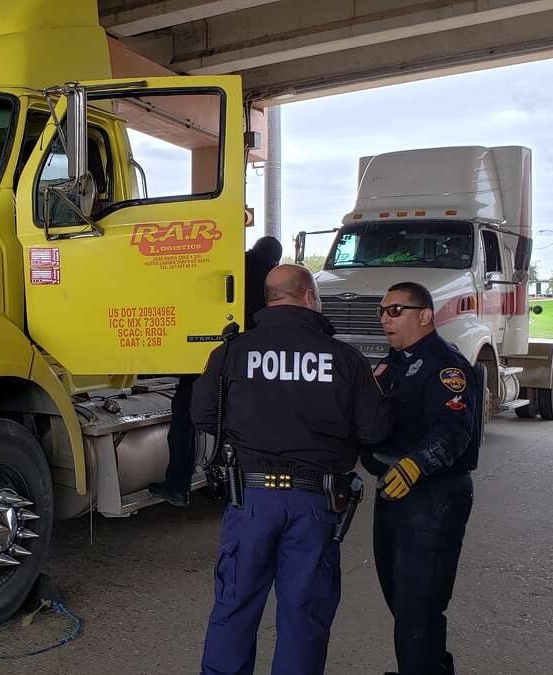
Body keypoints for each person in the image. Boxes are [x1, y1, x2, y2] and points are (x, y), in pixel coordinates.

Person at [192, 264, 393, 675]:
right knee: (304, 615)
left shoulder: (232, 352)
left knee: (235, 606)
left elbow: (201, 415)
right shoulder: (344, 358)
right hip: (314, 503)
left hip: (249, 500)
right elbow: (375, 431)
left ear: (269, 299)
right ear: (308, 296)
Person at [364, 281, 481, 675]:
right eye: (382, 311)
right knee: (402, 601)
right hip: (393, 494)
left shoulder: (447, 367)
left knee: (419, 605)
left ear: (425, 316)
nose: (385, 319)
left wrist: (416, 463)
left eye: (395, 310)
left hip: (434, 497)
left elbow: (453, 429)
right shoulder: (392, 363)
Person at [149, 236, 283, 507]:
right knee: (243, 427)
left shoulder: (231, 264)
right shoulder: (275, 280)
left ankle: (177, 484)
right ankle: (238, 492)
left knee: (185, 420)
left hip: (203, 356)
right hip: (251, 363)